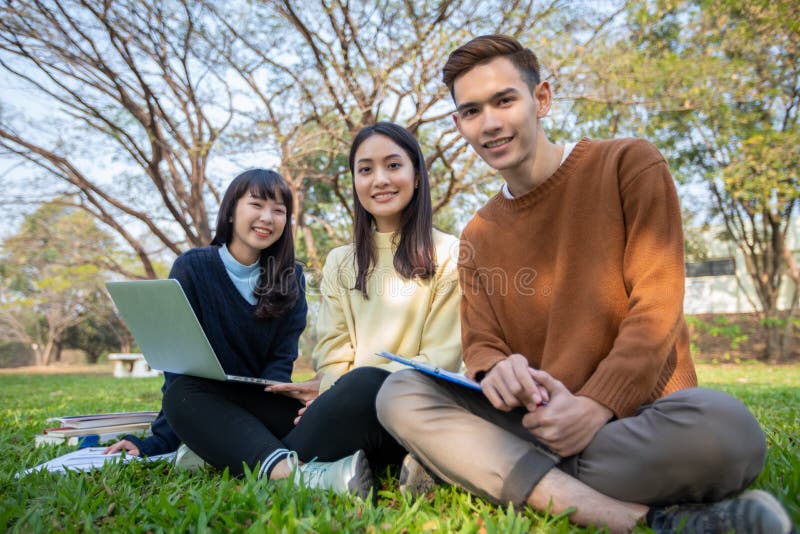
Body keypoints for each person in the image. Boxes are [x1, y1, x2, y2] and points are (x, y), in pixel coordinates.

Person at [376, 35, 793, 533]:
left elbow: (657, 309)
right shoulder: (478, 233)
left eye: (505, 100)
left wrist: (595, 406)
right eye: (471, 111)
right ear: (459, 124)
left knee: (730, 433)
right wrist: (496, 370)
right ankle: (640, 519)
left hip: (639, 422)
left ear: (543, 99)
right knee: (398, 392)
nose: (489, 123)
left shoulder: (629, 165)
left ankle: (470, 467)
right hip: (539, 422)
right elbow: (482, 344)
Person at [104, 169, 368, 496]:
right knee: (183, 393)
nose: (267, 218)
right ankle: (294, 474)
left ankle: (216, 450)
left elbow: (279, 363)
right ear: (231, 211)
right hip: (201, 400)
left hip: (261, 403)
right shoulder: (193, 267)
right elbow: (178, 366)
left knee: (316, 414)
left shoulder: (291, 277)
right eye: (256, 205)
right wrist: (161, 439)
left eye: (279, 211)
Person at [266, 121, 462, 487]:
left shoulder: (449, 252)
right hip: (350, 401)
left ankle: (266, 462)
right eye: (365, 170)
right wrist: (330, 395)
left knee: (363, 383)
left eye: (393, 165)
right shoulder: (342, 260)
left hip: (414, 407)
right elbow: (333, 354)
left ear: (417, 176)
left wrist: (344, 391)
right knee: (219, 395)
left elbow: (440, 361)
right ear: (355, 182)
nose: (379, 180)